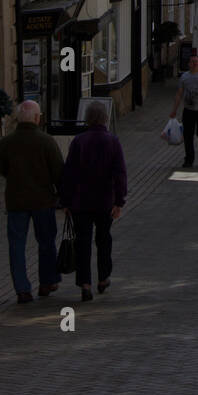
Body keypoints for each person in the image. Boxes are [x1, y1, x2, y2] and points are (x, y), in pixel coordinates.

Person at [0, 99, 64, 304]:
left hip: (16, 201)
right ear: (36, 118)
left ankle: (22, 289)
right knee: (46, 242)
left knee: (16, 245)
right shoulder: (46, 141)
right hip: (43, 201)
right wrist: (64, 197)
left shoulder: (6, 142)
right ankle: (47, 281)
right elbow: (58, 172)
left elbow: (1, 169)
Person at [59, 100, 127, 301]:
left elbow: (69, 173)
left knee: (83, 243)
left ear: (87, 118)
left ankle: (85, 284)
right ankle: (103, 277)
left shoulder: (79, 141)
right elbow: (120, 173)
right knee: (104, 239)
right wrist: (119, 201)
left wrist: (66, 201)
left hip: (81, 201)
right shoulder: (112, 141)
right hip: (105, 200)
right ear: (105, 118)